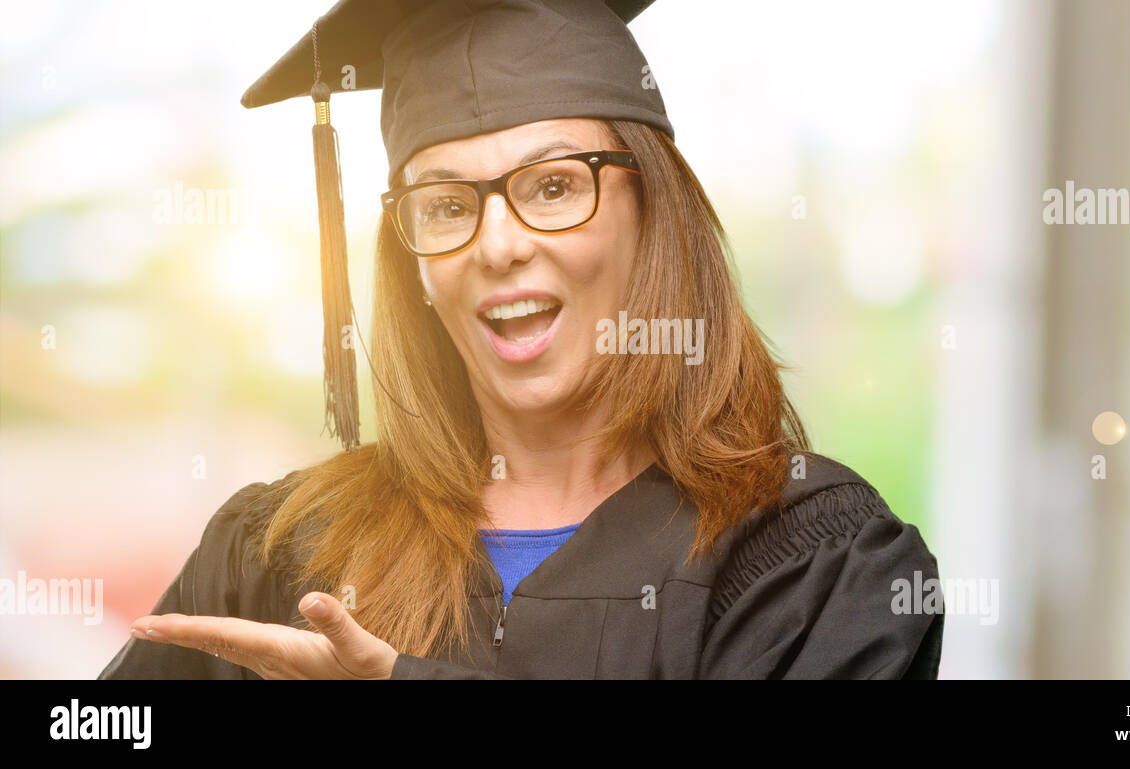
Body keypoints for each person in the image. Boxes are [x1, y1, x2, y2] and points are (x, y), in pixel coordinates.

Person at [98, 0, 943, 680]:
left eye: (552, 185)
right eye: (448, 204)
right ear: (413, 266)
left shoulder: (815, 569)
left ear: (653, 214)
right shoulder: (279, 553)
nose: (498, 244)